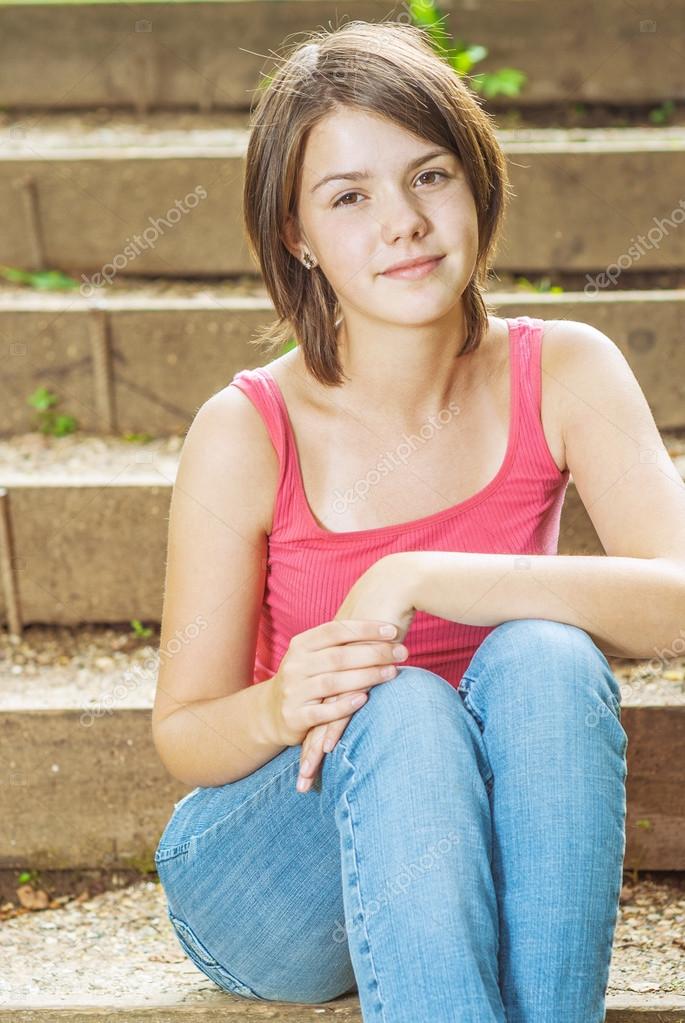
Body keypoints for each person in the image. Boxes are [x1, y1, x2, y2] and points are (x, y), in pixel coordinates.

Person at [152, 18, 685, 1021]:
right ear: (295, 235)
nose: (400, 220)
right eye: (348, 196)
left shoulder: (561, 370)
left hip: (471, 843)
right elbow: (183, 734)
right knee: (399, 704)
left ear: (476, 185)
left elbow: (680, 599)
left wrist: (416, 574)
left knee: (548, 658)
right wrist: (282, 704)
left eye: (429, 175)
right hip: (274, 867)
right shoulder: (245, 430)